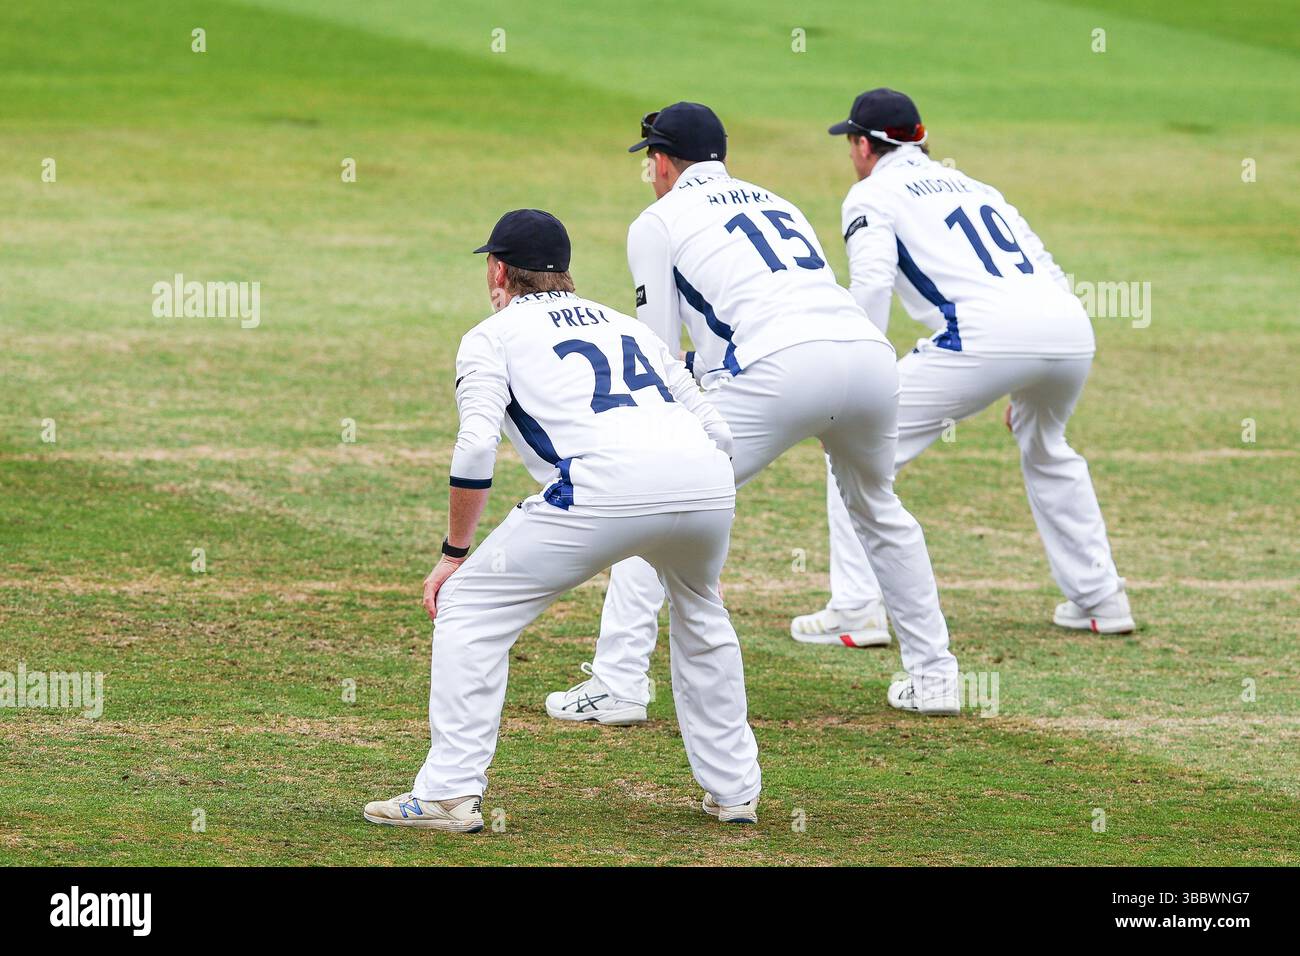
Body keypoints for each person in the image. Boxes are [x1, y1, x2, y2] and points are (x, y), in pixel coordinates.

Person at [544, 103, 962, 722]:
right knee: (879, 510)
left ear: (661, 161)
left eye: (651, 163)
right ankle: (936, 676)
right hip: (868, 358)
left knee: (660, 501)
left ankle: (619, 683)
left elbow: (657, 347)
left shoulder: (657, 221)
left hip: (781, 368)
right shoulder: (778, 201)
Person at [364, 209, 762, 831]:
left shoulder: (490, 336)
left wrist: (453, 551)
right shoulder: (629, 326)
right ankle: (736, 791)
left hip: (602, 487)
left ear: (497, 271)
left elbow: (474, 448)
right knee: (703, 616)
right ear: (565, 273)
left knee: (468, 608)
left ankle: (447, 794)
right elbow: (719, 429)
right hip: (707, 483)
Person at [790, 88, 1134, 646]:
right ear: (919, 139)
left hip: (981, 337)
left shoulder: (870, 194)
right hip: (1068, 331)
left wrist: (857, 371)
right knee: (1048, 448)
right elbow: (1046, 268)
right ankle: (1100, 599)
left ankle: (855, 609)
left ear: (861, 144)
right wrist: (1030, 369)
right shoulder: (979, 187)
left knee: (854, 447)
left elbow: (873, 284)